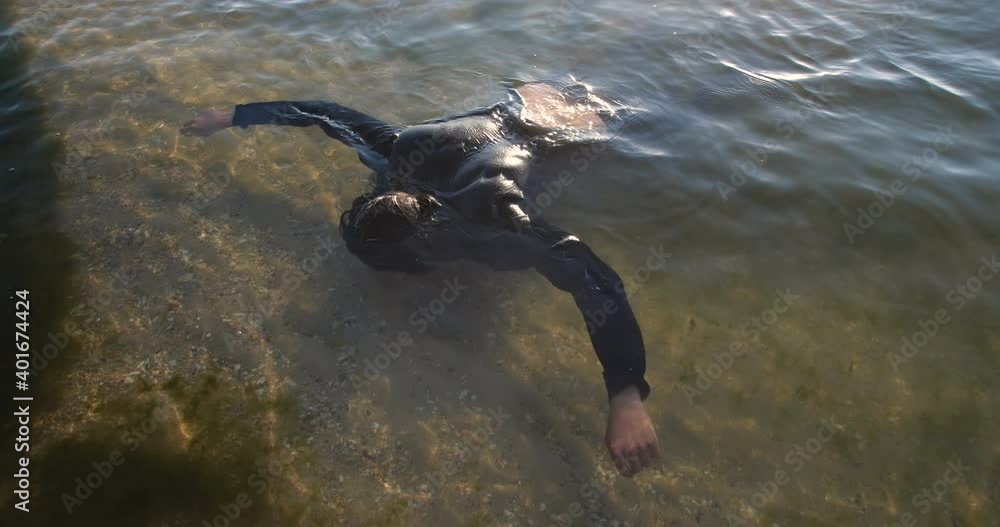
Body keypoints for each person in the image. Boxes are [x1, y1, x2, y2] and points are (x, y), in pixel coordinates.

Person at [182, 81, 660, 477]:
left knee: (643, 119)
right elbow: (323, 112)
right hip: (525, 96)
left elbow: (591, 275)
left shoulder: (495, 209)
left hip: (564, 128)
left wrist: (626, 393)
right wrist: (232, 115)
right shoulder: (393, 153)